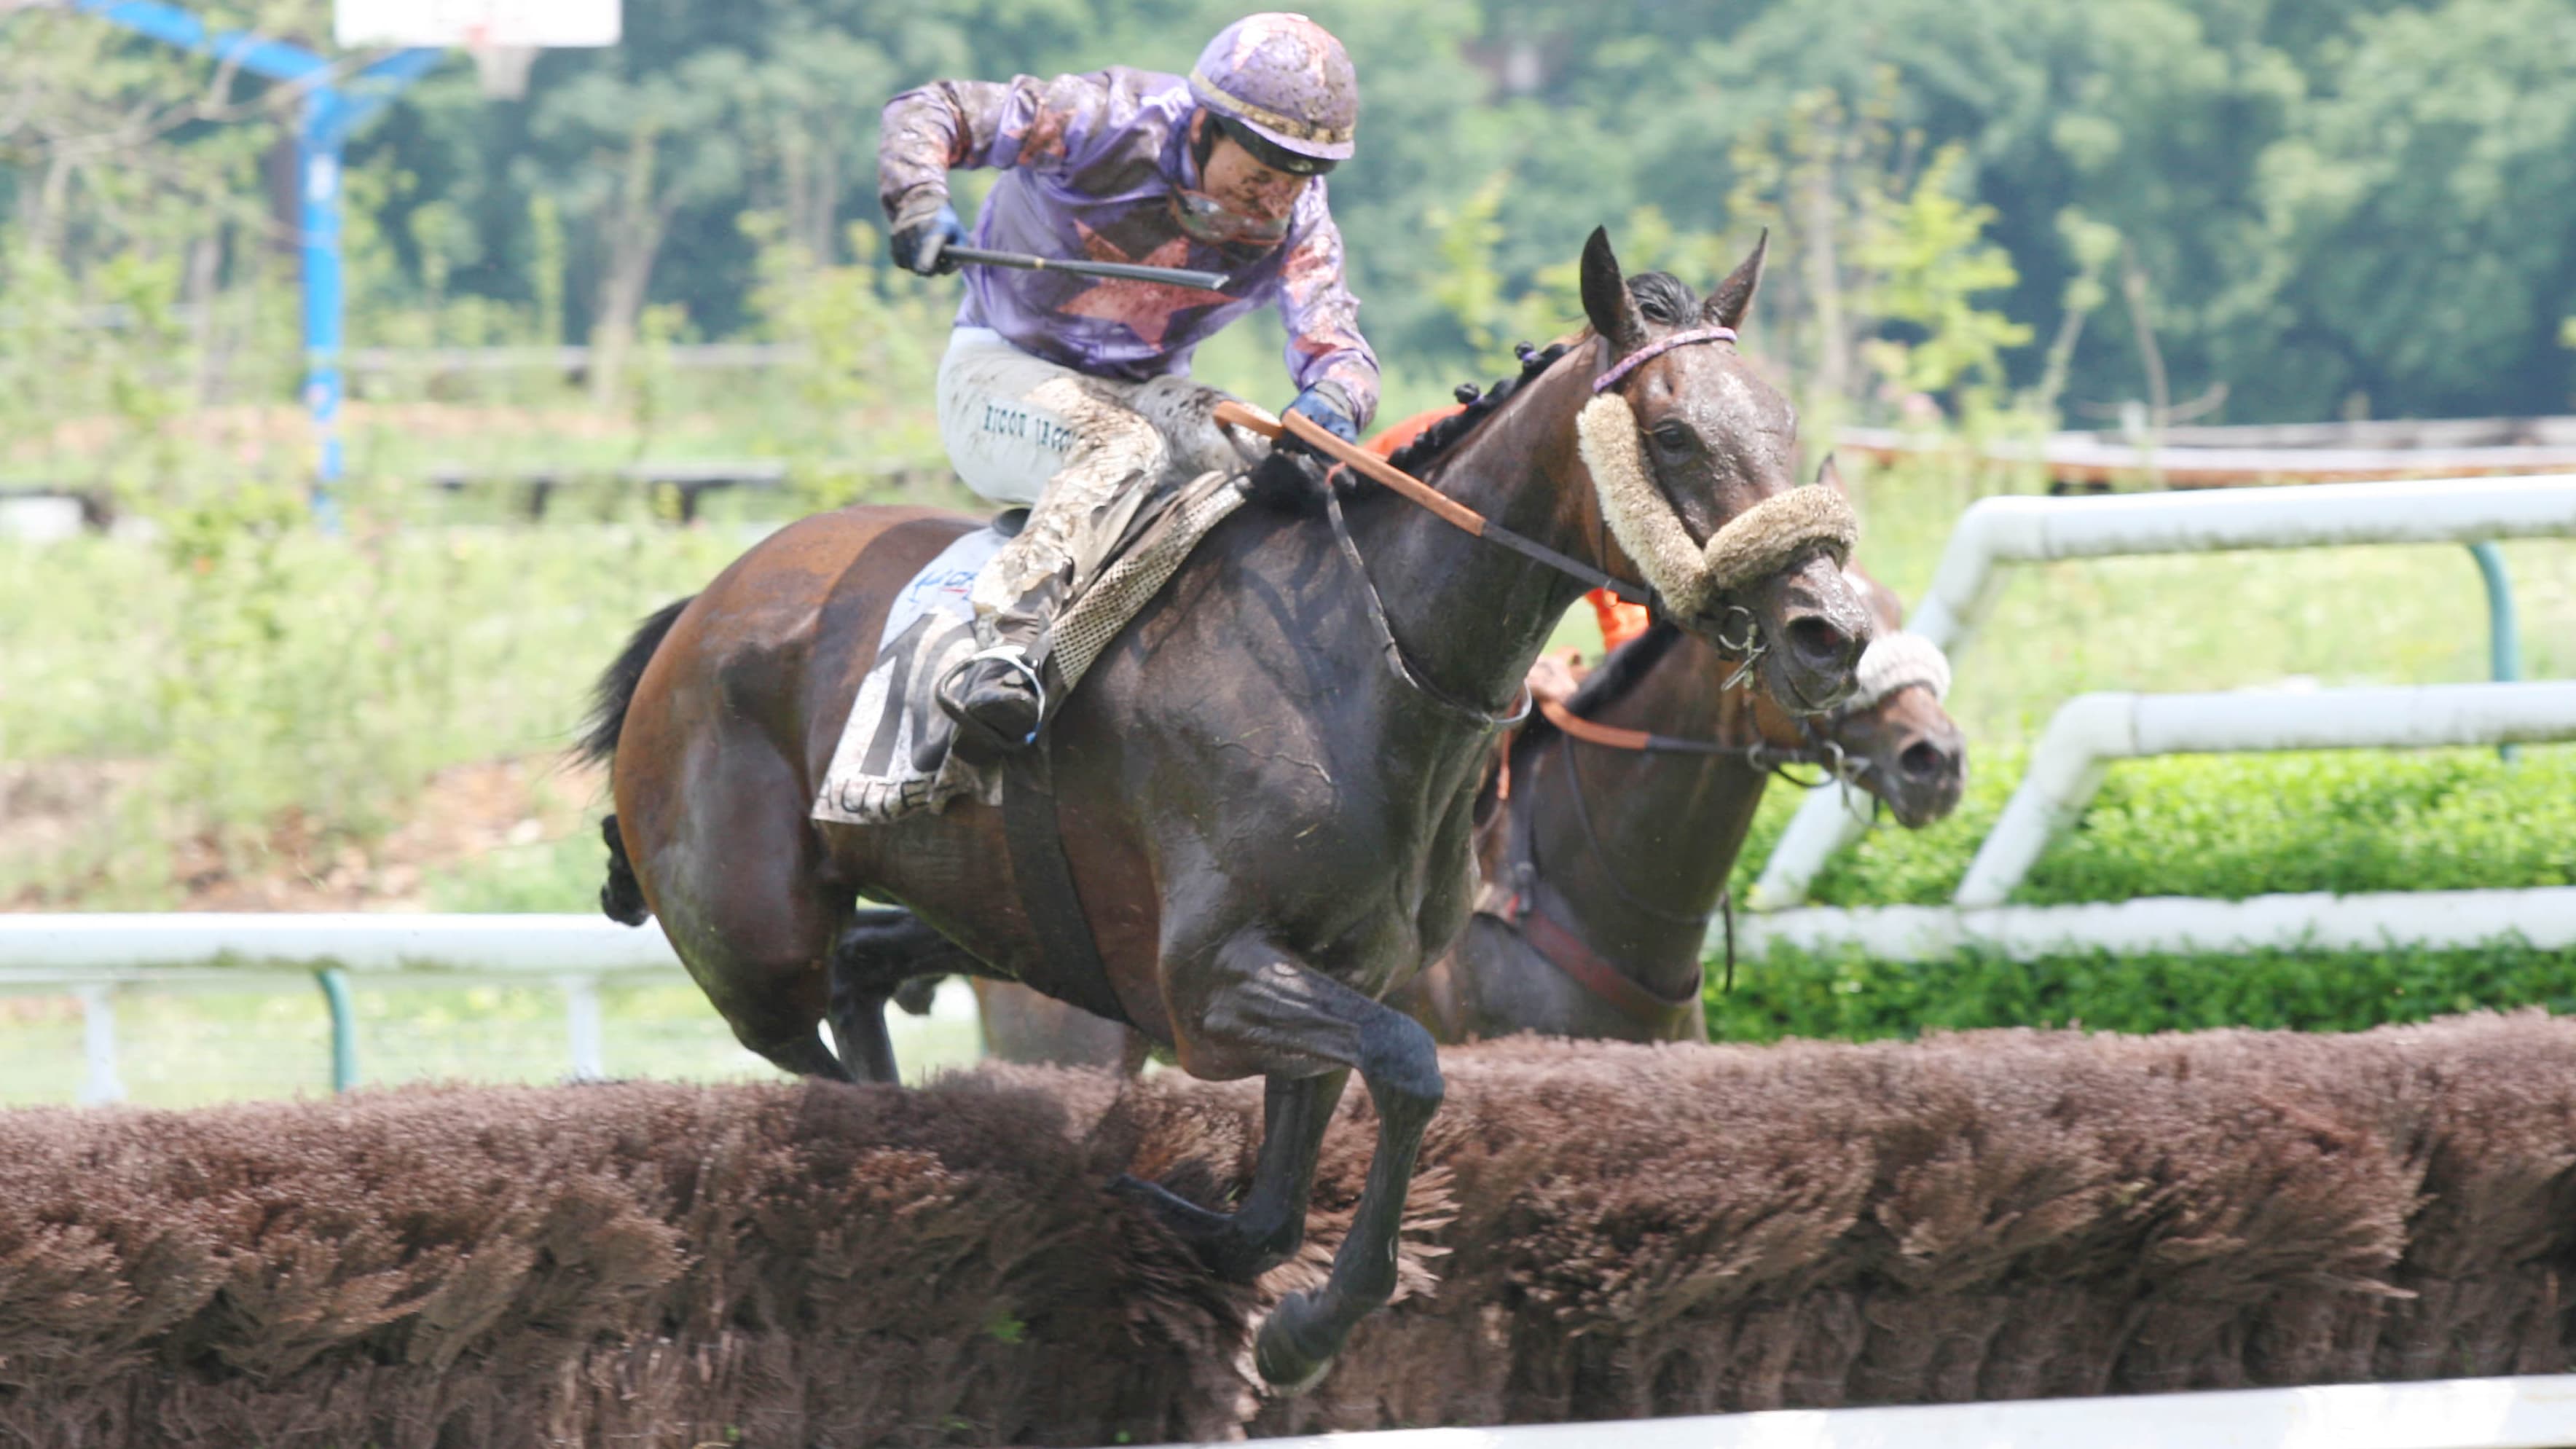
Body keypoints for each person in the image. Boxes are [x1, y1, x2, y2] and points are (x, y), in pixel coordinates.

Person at [876, 12, 1382, 756]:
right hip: (999, 370)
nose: (1274, 201)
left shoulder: (1297, 213)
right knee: (1122, 446)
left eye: (1298, 179)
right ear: (1207, 127)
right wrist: (918, 199)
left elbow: (1333, 337)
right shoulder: (1103, 119)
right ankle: (1005, 653)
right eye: (1261, 174)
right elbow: (932, 109)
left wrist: (1334, 399)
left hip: (1146, 387)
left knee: (1259, 457)